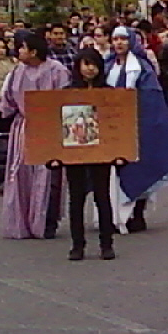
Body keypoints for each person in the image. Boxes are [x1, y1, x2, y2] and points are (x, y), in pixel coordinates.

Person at [105, 26, 168, 233]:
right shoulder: (106, 65)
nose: (119, 43)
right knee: (113, 173)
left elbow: (151, 97)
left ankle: (137, 213)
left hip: (138, 124)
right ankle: (113, 215)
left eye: (123, 39)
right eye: (115, 39)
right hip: (111, 128)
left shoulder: (142, 67)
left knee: (139, 167)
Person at [0, 33, 71, 239]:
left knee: (49, 175)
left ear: (33, 50)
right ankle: (22, 220)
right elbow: (7, 101)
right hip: (24, 126)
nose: (18, 51)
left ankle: (47, 221)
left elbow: (65, 99)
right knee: (22, 175)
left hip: (49, 127)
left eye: (22, 48)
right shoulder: (17, 71)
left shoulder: (57, 70)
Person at [56, 49, 117, 261]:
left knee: (102, 196)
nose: (90, 68)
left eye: (94, 64)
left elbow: (117, 122)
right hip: (75, 149)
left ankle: (106, 244)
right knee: (77, 197)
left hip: (102, 150)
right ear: (78, 66)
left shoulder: (109, 92)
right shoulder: (67, 92)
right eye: (85, 64)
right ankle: (77, 244)